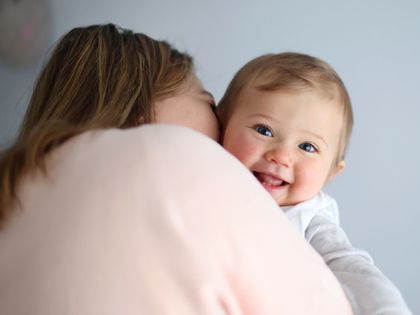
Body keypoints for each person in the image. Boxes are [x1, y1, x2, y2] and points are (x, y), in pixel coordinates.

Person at [0, 24, 353, 315]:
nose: (220, 121)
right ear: (145, 101)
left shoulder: (19, 185)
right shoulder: (169, 154)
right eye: (207, 101)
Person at [217, 52, 413, 315]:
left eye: (307, 146)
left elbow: (354, 271)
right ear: (222, 126)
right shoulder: (208, 182)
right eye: (264, 130)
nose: (282, 156)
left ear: (332, 172)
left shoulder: (309, 221)